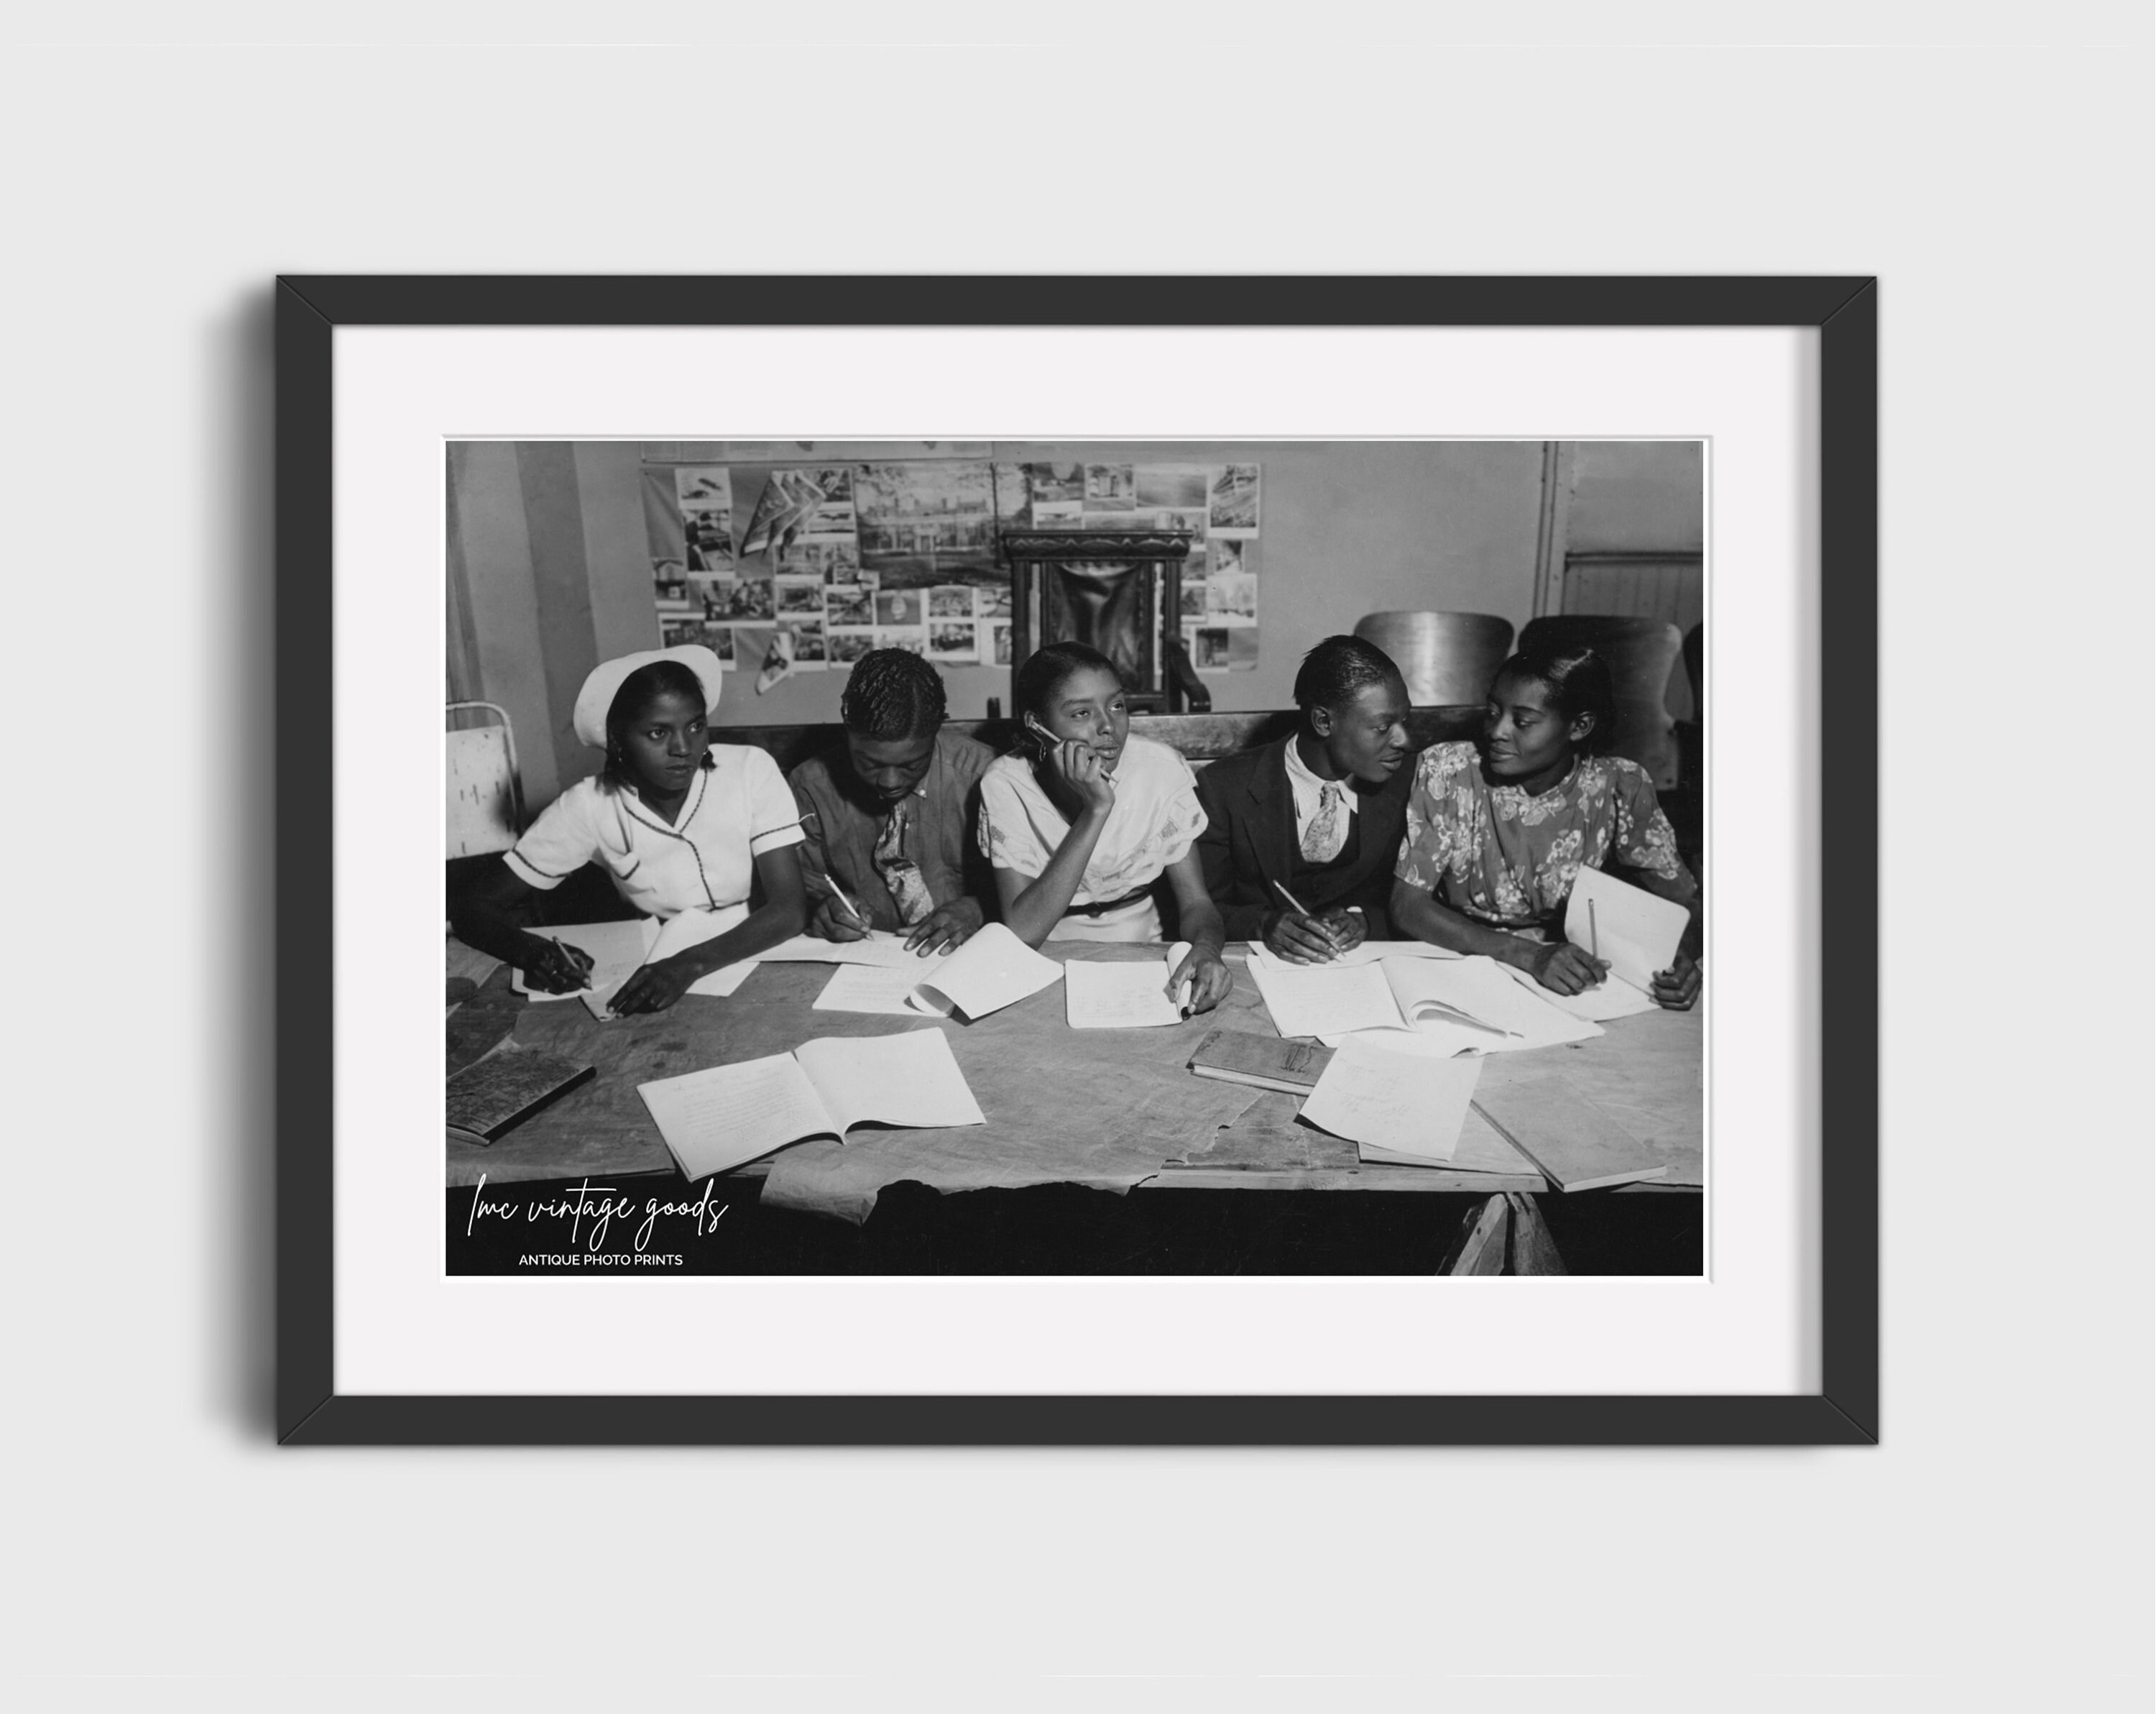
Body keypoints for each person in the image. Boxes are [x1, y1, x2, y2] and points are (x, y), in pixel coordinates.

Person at [451, 645, 808, 1014]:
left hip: (762, 946)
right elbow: (472, 907)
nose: (683, 747)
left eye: (696, 725)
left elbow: (789, 909)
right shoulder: (588, 806)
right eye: (657, 733)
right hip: (659, 965)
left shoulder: (750, 770)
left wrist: (689, 965)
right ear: (619, 742)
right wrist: (533, 953)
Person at [1390, 642, 1702, 1008]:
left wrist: (1680, 957)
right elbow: (1407, 907)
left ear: (1580, 726)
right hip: (1458, 959)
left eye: (1522, 722)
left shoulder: (1620, 785)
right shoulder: (1449, 771)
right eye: (1492, 712)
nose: (1497, 731)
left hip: (1570, 975)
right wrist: (1529, 956)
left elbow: (1685, 903)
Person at [976, 642, 1233, 1013]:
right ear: (1037, 723)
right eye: (1081, 713)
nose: (1108, 727)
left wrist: (1206, 949)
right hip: (1046, 962)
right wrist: (1095, 810)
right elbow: (1024, 933)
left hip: (1147, 959)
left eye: (1116, 705)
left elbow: (1196, 903)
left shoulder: (1159, 768)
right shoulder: (1006, 783)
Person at [1194, 634, 1414, 964]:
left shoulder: (1409, 781)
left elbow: (1422, 898)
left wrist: (1366, 920)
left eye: (1404, 721)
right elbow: (1201, 908)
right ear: (1324, 721)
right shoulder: (1225, 787)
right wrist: (1264, 924)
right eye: (1383, 727)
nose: (1404, 740)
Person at [788, 648, 996, 957]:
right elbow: (800, 891)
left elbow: (1032, 884)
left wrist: (979, 908)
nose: (890, 782)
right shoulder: (811, 788)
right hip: (866, 960)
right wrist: (824, 910)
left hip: (973, 955)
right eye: (869, 763)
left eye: (911, 765)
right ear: (847, 730)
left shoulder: (986, 776)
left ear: (937, 731)